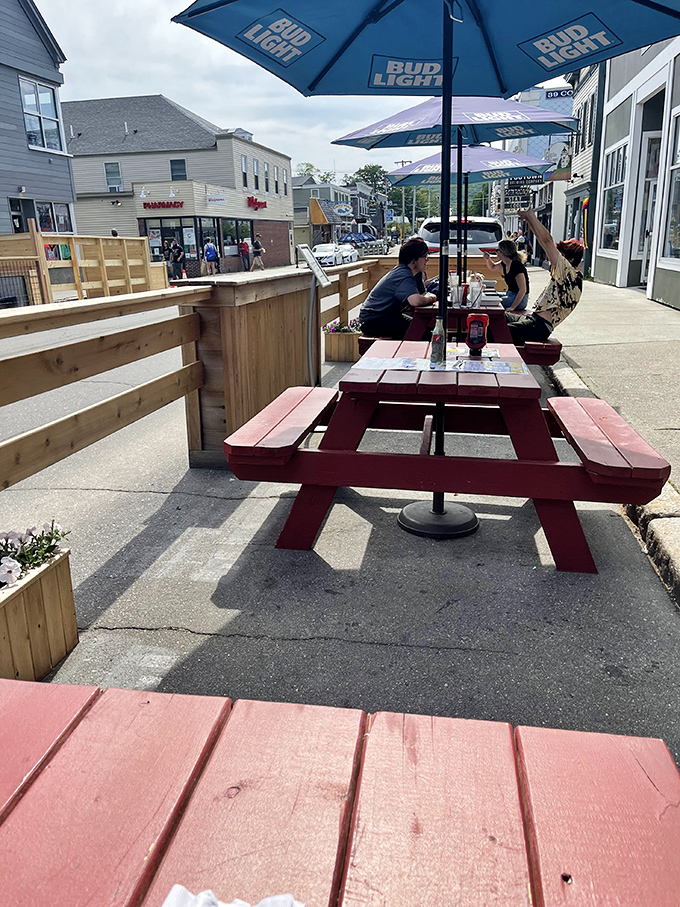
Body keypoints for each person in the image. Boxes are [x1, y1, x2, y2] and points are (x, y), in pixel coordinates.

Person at [504, 208, 584, 345]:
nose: (553, 257)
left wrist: (531, 216)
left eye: (560, 254)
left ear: (568, 259)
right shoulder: (567, 274)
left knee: (495, 331)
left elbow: (548, 241)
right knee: (498, 317)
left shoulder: (569, 274)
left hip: (539, 327)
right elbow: (544, 243)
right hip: (533, 320)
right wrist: (528, 219)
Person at [358, 236, 437, 339]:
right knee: (420, 332)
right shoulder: (404, 274)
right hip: (373, 319)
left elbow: (422, 293)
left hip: (385, 316)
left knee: (422, 328)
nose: (427, 259)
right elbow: (416, 301)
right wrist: (432, 298)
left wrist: (425, 296)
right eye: (424, 256)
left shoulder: (414, 273)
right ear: (414, 260)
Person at [482, 239, 529, 312]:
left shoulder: (516, 266)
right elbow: (493, 267)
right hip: (509, 294)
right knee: (489, 295)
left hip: (519, 300)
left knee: (492, 303)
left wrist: (512, 307)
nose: (496, 252)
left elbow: (522, 290)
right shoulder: (504, 263)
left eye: (497, 250)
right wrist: (488, 259)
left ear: (503, 252)